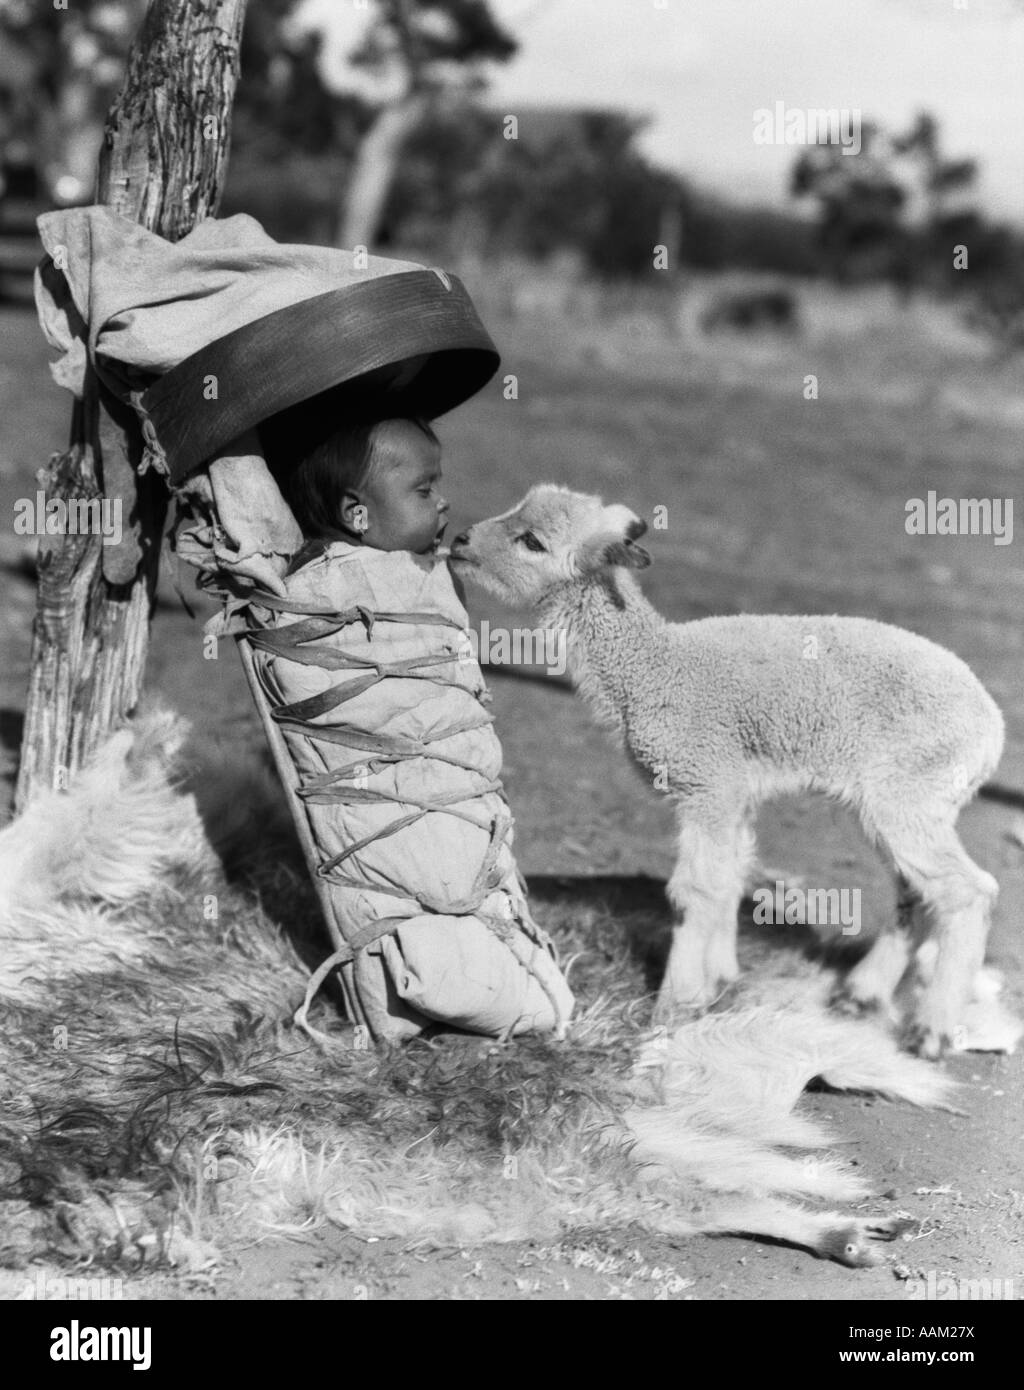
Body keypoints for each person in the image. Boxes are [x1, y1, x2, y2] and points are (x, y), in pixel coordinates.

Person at [245, 413, 574, 1043]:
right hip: (385, 824)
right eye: (424, 490)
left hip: (457, 813)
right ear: (357, 515)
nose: (445, 500)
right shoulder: (317, 593)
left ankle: (474, 972)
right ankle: (445, 980)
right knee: (412, 869)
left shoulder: (427, 582)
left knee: (461, 854)